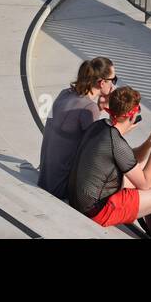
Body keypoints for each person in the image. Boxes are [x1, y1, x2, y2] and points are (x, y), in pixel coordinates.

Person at [68, 85, 151, 238]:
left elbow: (126, 159)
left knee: (145, 172)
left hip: (83, 200)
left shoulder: (100, 127)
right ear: (132, 117)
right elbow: (143, 183)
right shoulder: (116, 143)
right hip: (98, 211)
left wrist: (149, 142)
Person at [37, 57, 116, 199]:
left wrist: (99, 107)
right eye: (113, 80)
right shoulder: (89, 108)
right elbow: (98, 152)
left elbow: (71, 129)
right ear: (102, 82)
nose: (114, 86)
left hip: (45, 178)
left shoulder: (65, 94)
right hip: (61, 187)